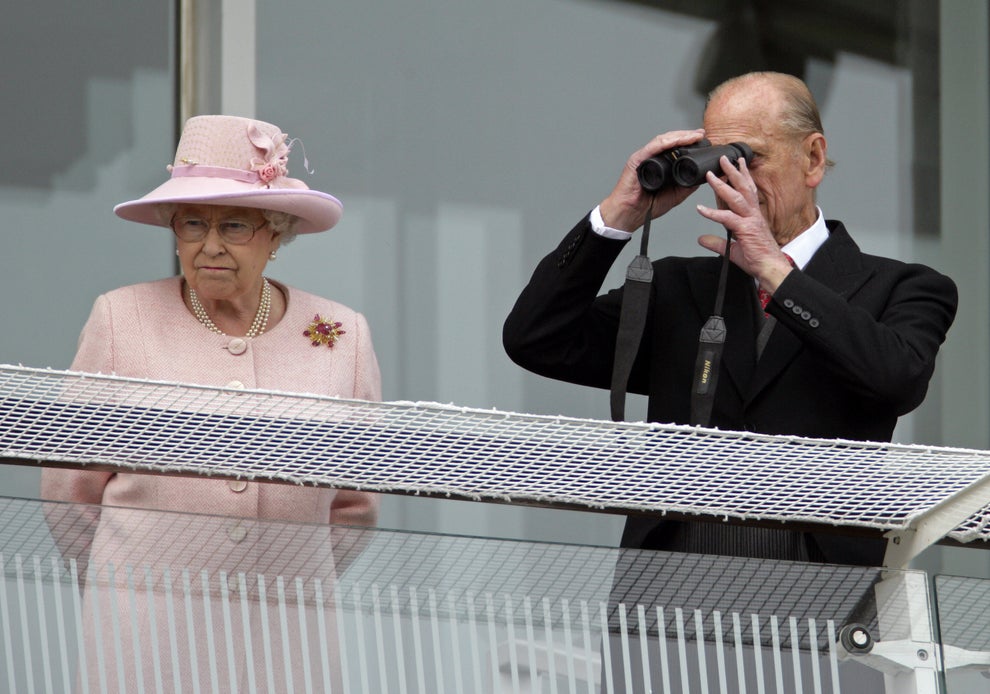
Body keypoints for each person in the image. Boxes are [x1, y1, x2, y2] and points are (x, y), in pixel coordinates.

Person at [503, 71, 958, 567]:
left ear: (812, 158)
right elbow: (536, 338)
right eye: (717, 162)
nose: (729, 179)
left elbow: (898, 379)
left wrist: (775, 273)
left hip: (822, 588)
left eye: (750, 158)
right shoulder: (679, 288)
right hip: (671, 584)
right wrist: (617, 216)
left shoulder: (905, 287)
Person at [41, 114, 381, 691]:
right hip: (145, 633)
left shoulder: (340, 334)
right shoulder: (122, 319)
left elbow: (355, 504)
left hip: (285, 635)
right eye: (193, 223)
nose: (211, 245)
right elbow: (69, 491)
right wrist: (120, 585)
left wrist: (283, 579)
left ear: (276, 233)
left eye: (236, 226)